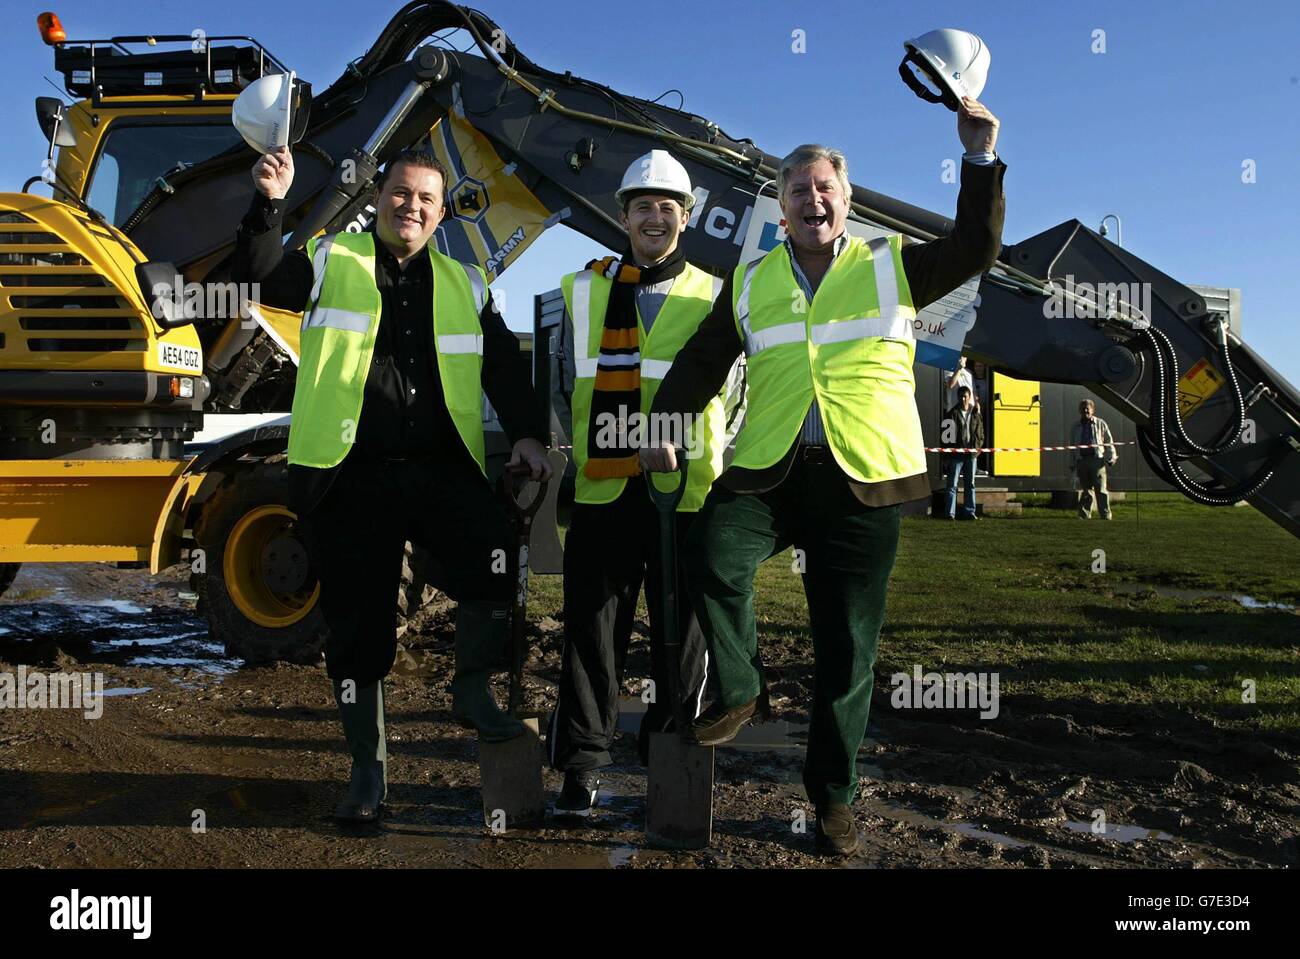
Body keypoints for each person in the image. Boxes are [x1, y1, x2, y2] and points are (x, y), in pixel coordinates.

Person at [643, 96, 1005, 855]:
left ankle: (833, 799)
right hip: (770, 474)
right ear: (782, 208)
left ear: (845, 199)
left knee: (847, 648)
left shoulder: (892, 266)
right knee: (711, 551)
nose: (814, 199)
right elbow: (704, 362)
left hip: (863, 481)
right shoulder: (751, 281)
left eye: (825, 188)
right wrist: (662, 426)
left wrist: (976, 157)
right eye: (799, 189)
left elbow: (975, 246)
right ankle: (741, 687)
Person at [232, 145, 552, 823]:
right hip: (352, 473)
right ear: (380, 199)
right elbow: (257, 271)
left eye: (426, 199)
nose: (411, 206)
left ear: (441, 213)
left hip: (442, 469)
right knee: (359, 624)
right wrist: (270, 203)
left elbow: (503, 365)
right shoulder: (330, 259)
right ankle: (368, 768)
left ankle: (471, 690)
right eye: (401, 194)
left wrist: (528, 434)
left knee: (495, 560)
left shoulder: (465, 282)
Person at [547, 150, 742, 817]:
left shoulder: (717, 294)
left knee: (679, 639)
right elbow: (560, 380)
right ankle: (583, 763)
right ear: (622, 214)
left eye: (668, 208)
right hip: (604, 492)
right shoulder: (583, 288)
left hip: (685, 496)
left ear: (685, 219)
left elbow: (735, 397)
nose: (654, 218)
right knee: (590, 634)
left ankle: (671, 754)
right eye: (642, 207)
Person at [1069, 399, 1117, 520]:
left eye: (1088, 408)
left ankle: (1105, 515)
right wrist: (1072, 462)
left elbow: (1108, 441)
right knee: (1086, 490)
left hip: (1097, 461)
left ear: (1092, 410)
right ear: (1080, 410)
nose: (1085, 410)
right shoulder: (1075, 426)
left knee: (1101, 489)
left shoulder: (1100, 423)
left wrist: (1112, 456)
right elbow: (1072, 446)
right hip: (1081, 460)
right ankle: (1084, 514)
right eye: (1083, 408)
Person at [943, 385, 983, 520]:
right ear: (958, 397)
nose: (963, 399)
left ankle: (970, 512)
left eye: (965, 396)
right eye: (961, 397)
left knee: (970, 484)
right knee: (952, 485)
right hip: (956, 455)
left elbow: (980, 434)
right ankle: (950, 513)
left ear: (969, 397)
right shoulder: (952, 413)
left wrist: (977, 449)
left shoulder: (975, 413)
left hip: (971, 455)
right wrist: (948, 456)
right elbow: (946, 437)